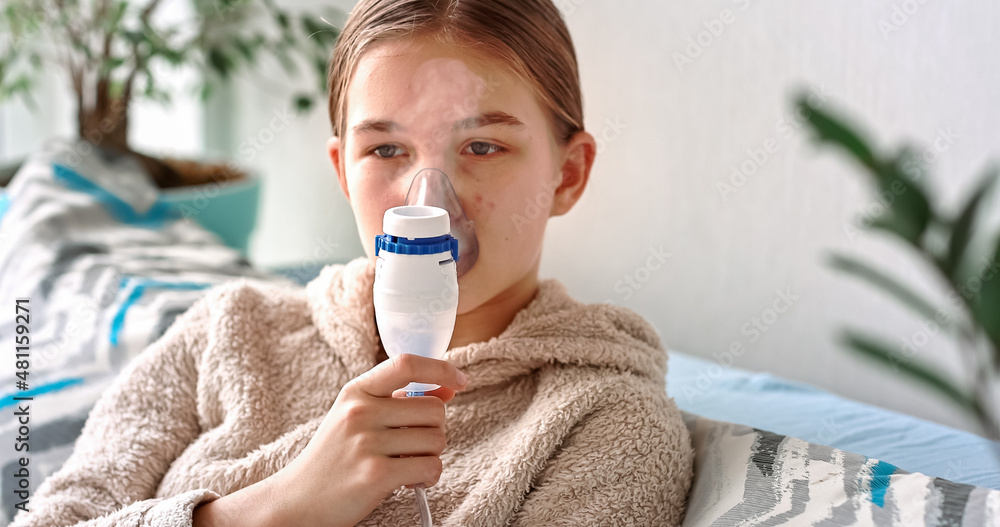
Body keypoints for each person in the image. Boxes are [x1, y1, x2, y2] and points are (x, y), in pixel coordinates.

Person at [10, 0, 694, 525]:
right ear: (343, 170)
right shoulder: (229, 331)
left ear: (568, 175)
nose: (430, 199)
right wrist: (276, 507)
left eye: (483, 146)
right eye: (387, 151)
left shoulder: (609, 424)